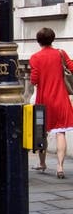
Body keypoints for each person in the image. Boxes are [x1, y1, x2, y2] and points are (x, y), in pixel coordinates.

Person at [29, 27, 73, 178]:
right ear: (52, 39)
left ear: (38, 40)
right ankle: (60, 167)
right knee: (61, 132)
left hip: (44, 100)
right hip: (61, 99)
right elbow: (71, 67)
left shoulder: (35, 57)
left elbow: (34, 80)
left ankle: (42, 163)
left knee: (41, 132)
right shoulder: (60, 53)